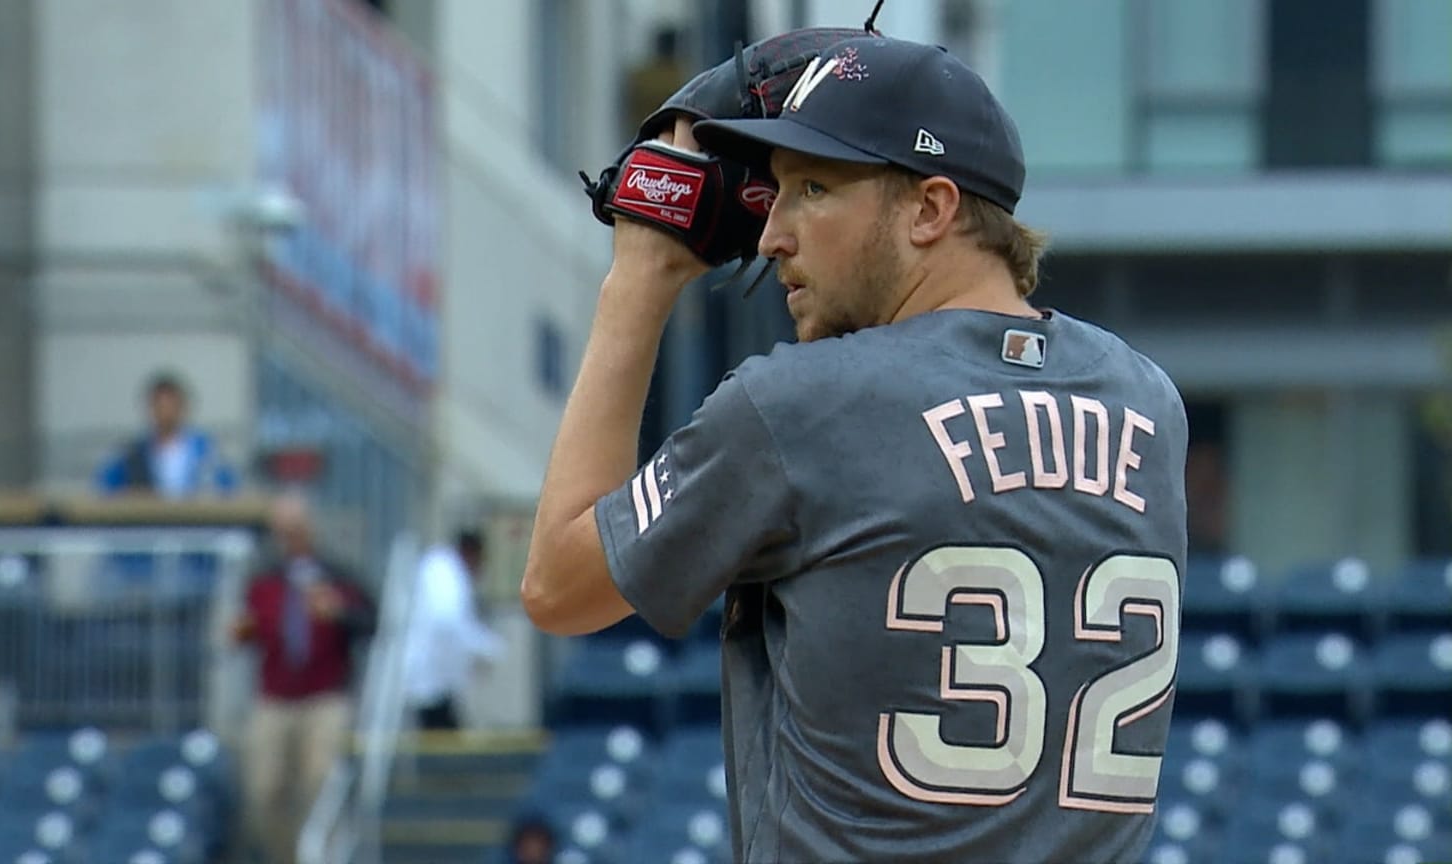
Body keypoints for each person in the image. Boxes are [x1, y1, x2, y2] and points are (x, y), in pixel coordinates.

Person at [521, 35, 1188, 864]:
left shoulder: (802, 405)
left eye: (813, 190)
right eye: (774, 193)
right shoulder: (1146, 401)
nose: (771, 236)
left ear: (930, 210)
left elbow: (558, 585)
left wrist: (639, 279)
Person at [233, 492, 376, 864]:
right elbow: (244, 631)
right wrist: (241, 632)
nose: (290, 539)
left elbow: (370, 623)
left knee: (320, 782)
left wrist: (339, 614)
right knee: (263, 789)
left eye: (296, 529)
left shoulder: (338, 577)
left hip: (324, 696)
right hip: (275, 696)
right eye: (283, 532)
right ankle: (289, 857)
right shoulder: (263, 582)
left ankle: (324, 857)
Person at [402, 529, 504, 730]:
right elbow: (447, 620)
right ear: (471, 553)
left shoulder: (442, 569)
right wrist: (487, 647)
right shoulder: (444, 573)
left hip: (436, 679)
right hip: (428, 679)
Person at [96, 371, 238, 498]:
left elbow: (229, 488)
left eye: (171, 405)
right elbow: (105, 486)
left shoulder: (206, 454)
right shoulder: (133, 455)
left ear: (183, 407)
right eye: (160, 406)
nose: (165, 412)